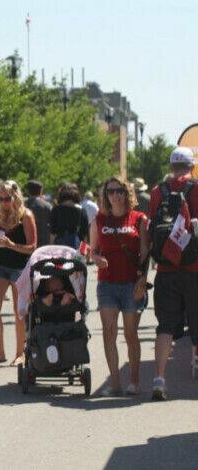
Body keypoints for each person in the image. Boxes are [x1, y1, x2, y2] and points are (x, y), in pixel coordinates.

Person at [90, 176, 149, 397]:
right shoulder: (99, 220)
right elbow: (92, 250)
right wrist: (96, 259)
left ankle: (134, 381)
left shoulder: (138, 218)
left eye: (120, 191)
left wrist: (142, 280)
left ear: (127, 193)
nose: (115, 195)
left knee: (131, 334)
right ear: (106, 195)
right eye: (111, 191)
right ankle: (115, 383)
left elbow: (145, 253)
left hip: (131, 284)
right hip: (107, 284)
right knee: (109, 333)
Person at [148, 147, 198, 401]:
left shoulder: (158, 191)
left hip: (166, 268)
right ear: (191, 166)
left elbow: (150, 229)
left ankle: (159, 378)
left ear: (171, 165)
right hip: (194, 268)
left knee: (165, 326)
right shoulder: (197, 188)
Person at [0, 181, 37, 367]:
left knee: (19, 312)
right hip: (0, 263)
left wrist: (12, 245)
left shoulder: (26, 216)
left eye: (7, 198)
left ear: (16, 197)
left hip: (20, 267)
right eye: (1, 199)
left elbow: (33, 247)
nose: (4, 202)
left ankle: (20, 353)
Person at [50, 183, 89, 249]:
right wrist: (84, 256)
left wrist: (52, 250)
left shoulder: (56, 209)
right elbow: (85, 237)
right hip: (75, 251)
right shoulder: (82, 211)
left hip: (59, 249)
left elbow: (52, 234)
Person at [25, 180, 52, 248]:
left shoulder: (23, 205)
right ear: (41, 191)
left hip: (27, 241)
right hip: (44, 241)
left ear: (28, 191)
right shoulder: (47, 206)